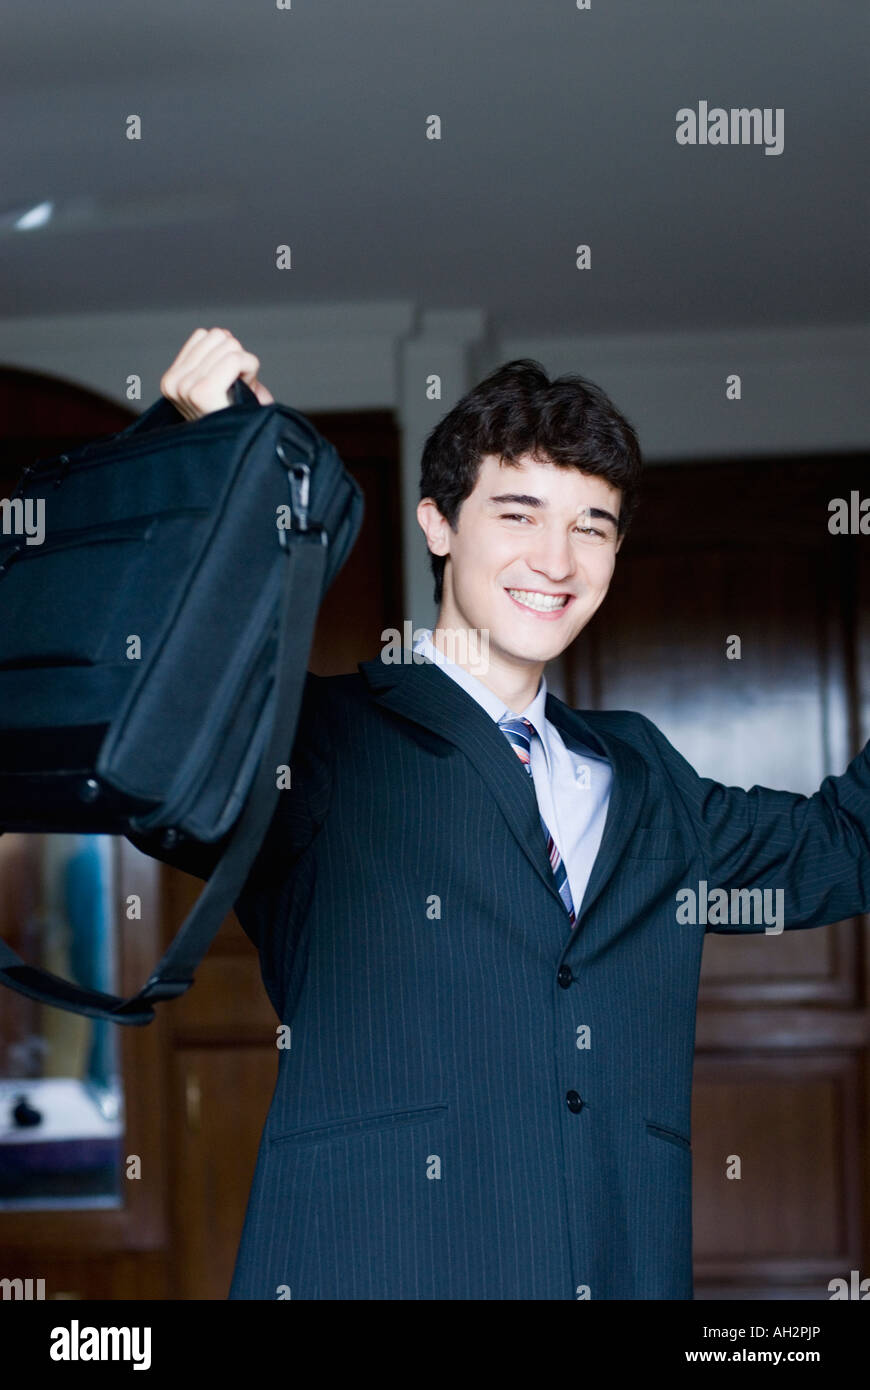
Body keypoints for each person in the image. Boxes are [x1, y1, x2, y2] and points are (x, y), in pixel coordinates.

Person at [131, 327, 870, 1300]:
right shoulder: (316, 742)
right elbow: (147, 739)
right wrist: (204, 458)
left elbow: (845, 847)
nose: (555, 559)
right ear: (438, 521)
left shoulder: (649, 775)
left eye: (592, 526)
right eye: (518, 513)